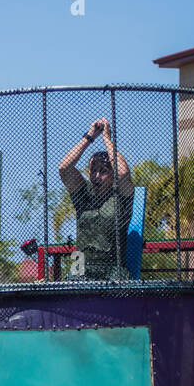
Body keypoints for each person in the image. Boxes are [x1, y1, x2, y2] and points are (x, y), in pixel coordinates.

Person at [57, 117, 135, 280]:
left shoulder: (121, 196)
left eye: (103, 171)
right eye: (93, 170)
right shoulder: (83, 193)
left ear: (112, 174)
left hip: (112, 265)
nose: (97, 176)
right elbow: (64, 168)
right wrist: (90, 136)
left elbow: (123, 173)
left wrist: (106, 138)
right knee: (70, 287)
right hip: (80, 262)